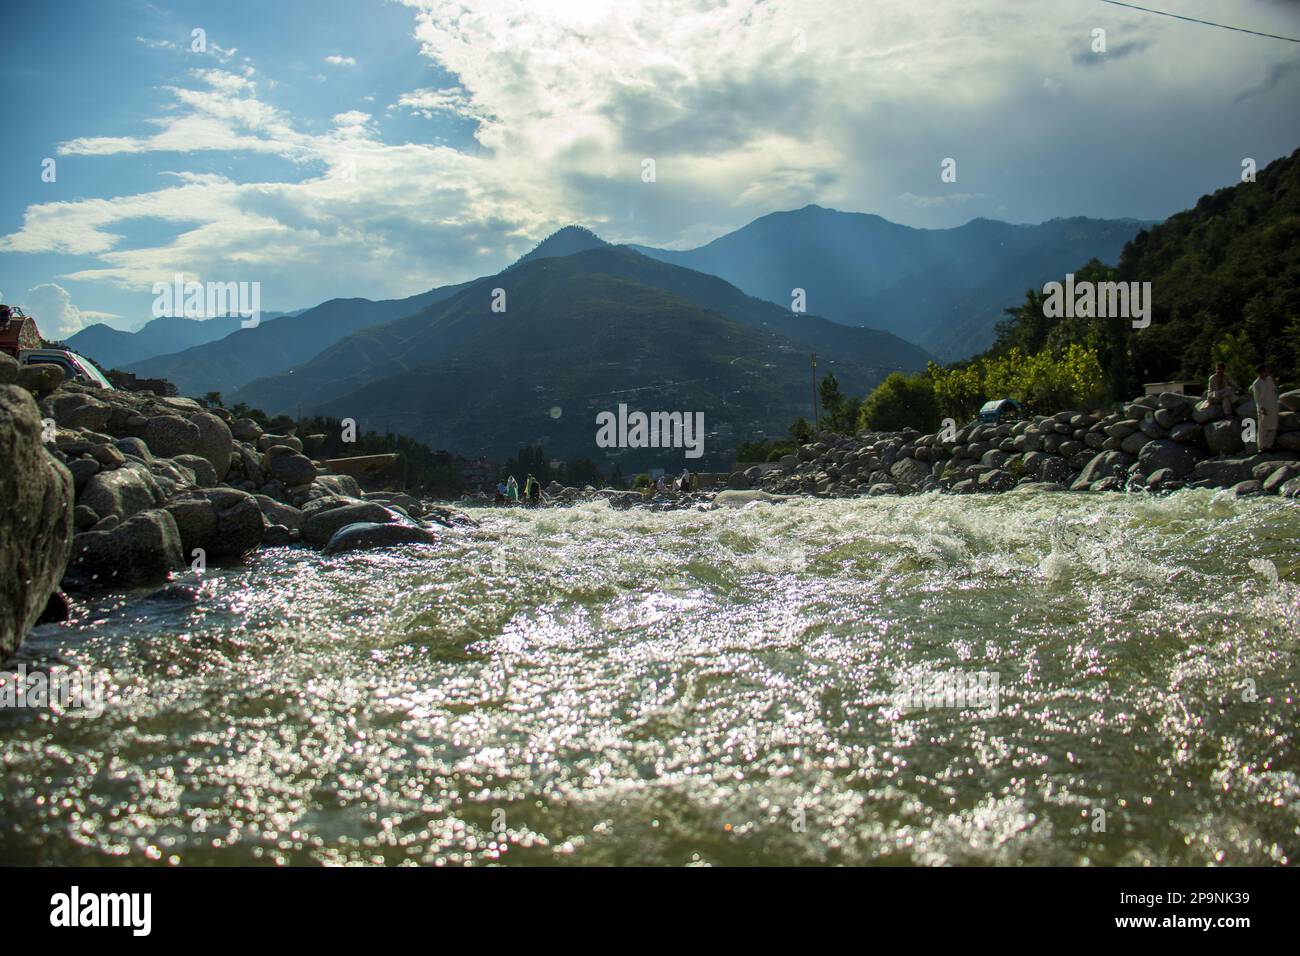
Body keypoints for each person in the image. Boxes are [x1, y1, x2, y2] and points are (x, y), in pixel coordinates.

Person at [1251, 363, 1279, 452]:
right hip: (1263, 407)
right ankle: (1262, 447)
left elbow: (1274, 389)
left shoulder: (1269, 379)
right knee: (1263, 428)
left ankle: (1269, 446)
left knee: (1273, 426)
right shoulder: (1256, 383)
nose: (1267, 371)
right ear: (1260, 372)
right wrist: (1261, 408)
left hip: (1273, 405)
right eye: (1265, 370)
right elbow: (1257, 398)